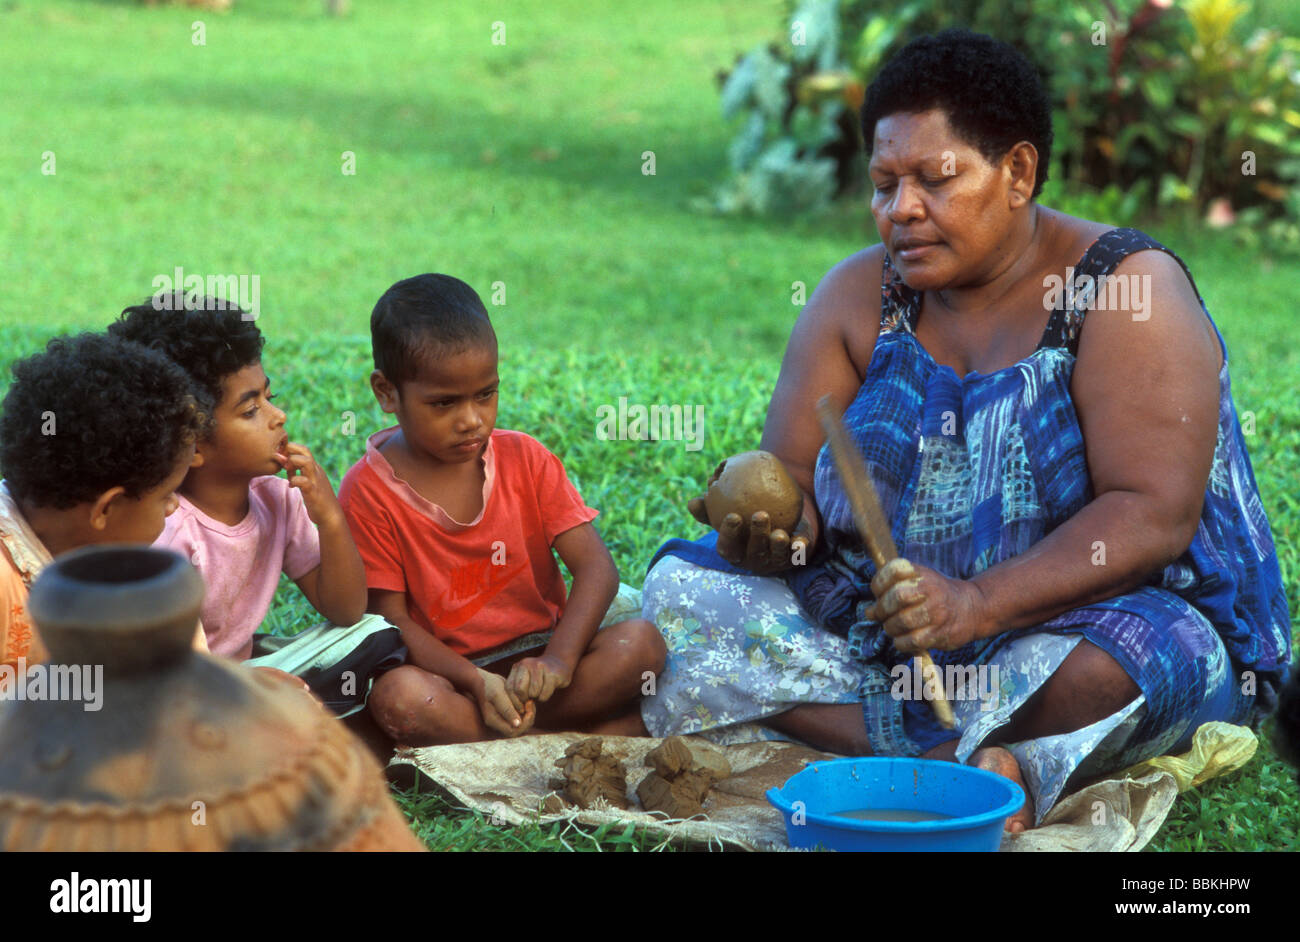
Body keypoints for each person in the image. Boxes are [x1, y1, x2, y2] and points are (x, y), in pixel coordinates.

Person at [641, 29, 1291, 832]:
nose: (900, 210)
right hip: (883, 636)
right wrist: (780, 534)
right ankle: (974, 758)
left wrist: (978, 604)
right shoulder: (856, 297)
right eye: (884, 185)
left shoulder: (1124, 291)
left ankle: (893, 741)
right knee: (680, 595)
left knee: (1151, 658)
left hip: (1082, 624)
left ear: (1017, 172)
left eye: (934, 180)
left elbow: (1152, 514)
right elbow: (798, 485)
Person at [339, 273, 665, 744]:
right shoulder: (368, 491)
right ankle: (560, 736)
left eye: (485, 394)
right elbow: (393, 622)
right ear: (387, 392)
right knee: (400, 699)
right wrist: (474, 681)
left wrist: (559, 660)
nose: (471, 419)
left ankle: (511, 738)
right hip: (452, 678)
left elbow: (596, 569)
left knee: (641, 646)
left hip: (542, 660)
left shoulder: (525, 459)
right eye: (444, 402)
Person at [109, 295, 403, 715]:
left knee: (375, 634)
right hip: (185, 688)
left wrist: (330, 519)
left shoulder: (276, 497)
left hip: (251, 666)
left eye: (270, 397)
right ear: (190, 444)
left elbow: (346, 608)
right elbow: (158, 666)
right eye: (250, 409)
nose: (277, 416)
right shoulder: (170, 529)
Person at [0, 332, 208, 679]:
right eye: (166, 495)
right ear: (107, 509)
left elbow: (189, 672)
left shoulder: (126, 570)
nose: (174, 507)